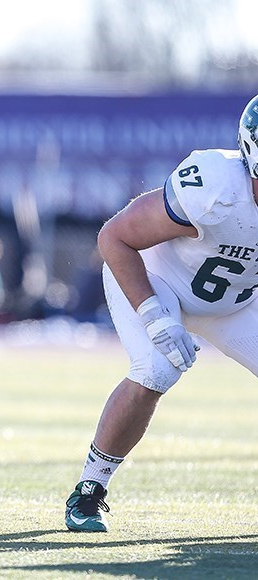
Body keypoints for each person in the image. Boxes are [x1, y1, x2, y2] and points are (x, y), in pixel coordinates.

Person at [63, 94, 258, 532]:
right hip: (157, 280)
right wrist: (154, 314)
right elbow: (115, 237)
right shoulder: (215, 186)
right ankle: (90, 490)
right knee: (156, 369)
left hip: (237, 300)